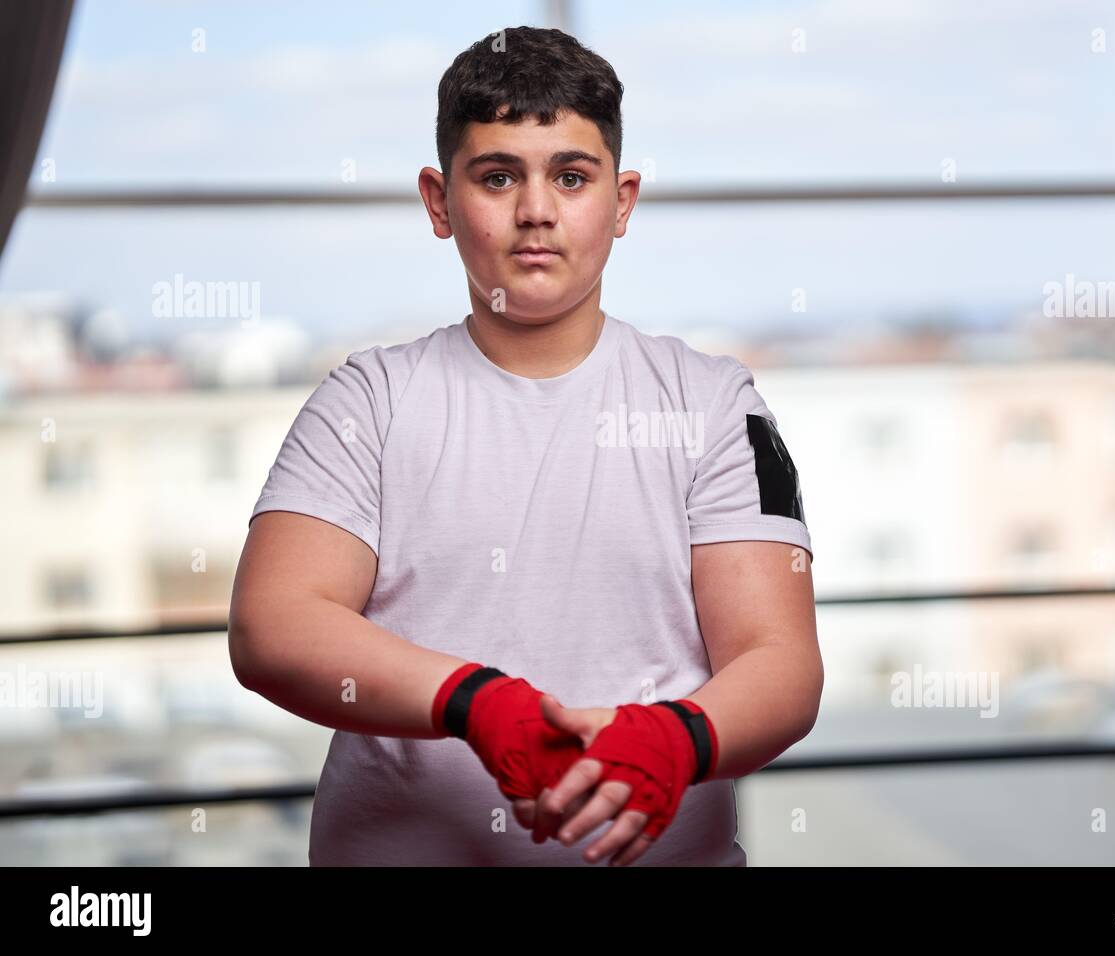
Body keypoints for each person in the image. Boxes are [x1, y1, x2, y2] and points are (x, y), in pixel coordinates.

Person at [228, 25, 821, 866]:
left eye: (572, 177)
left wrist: (677, 738)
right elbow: (272, 629)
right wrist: (476, 701)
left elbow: (781, 663)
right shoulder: (366, 400)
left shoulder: (718, 404)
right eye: (498, 176)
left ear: (621, 203)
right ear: (440, 202)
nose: (536, 210)